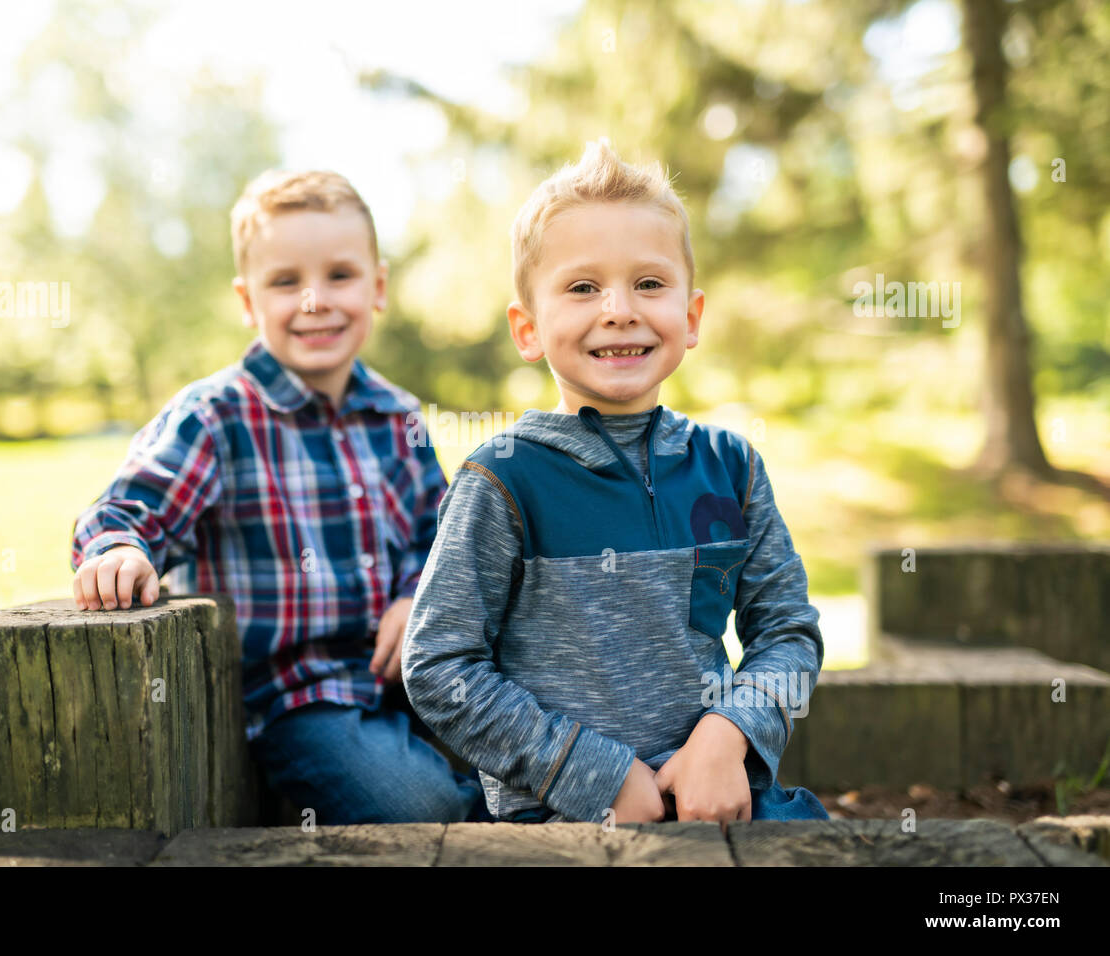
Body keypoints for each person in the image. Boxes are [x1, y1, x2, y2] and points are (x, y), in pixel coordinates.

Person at [401, 140, 828, 829]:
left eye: (650, 284)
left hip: (714, 801)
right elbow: (438, 666)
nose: (620, 309)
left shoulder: (731, 467)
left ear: (690, 317)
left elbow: (789, 631)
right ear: (528, 328)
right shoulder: (503, 479)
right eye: (582, 287)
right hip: (558, 819)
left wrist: (727, 737)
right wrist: (589, 773)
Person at [70, 168, 487, 825]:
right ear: (247, 300)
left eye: (340, 276)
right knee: (422, 806)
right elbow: (126, 509)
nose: (315, 300)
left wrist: (414, 596)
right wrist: (120, 549)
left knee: (528, 747)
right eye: (286, 282)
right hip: (297, 702)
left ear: (377, 288)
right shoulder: (217, 417)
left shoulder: (396, 415)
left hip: (412, 679)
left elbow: (436, 534)